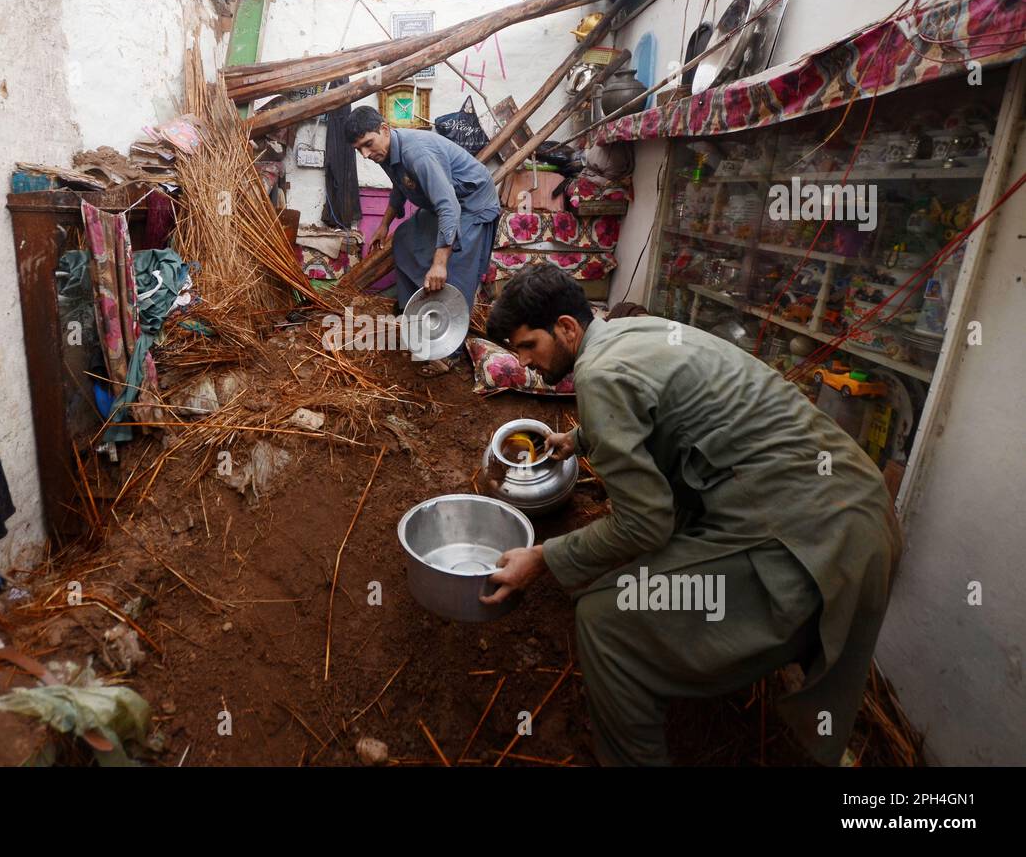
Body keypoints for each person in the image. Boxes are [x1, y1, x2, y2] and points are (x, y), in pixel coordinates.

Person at [481, 264, 902, 766]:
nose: (526, 363)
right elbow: (659, 405)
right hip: (850, 500)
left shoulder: (598, 374)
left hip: (811, 535)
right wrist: (576, 439)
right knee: (652, 555)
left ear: (567, 329)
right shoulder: (631, 332)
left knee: (604, 622)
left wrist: (543, 556)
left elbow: (643, 524)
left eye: (529, 346)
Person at [345, 106, 500, 375]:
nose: (366, 155)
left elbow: (449, 206)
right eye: (359, 150)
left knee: (455, 268)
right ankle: (416, 316)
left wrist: (439, 263)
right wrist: (384, 225)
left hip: (471, 204)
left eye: (368, 145)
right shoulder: (386, 152)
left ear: (384, 129)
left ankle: (447, 352)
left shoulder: (417, 153)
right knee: (405, 238)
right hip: (448, 203)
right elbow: (400, 184)